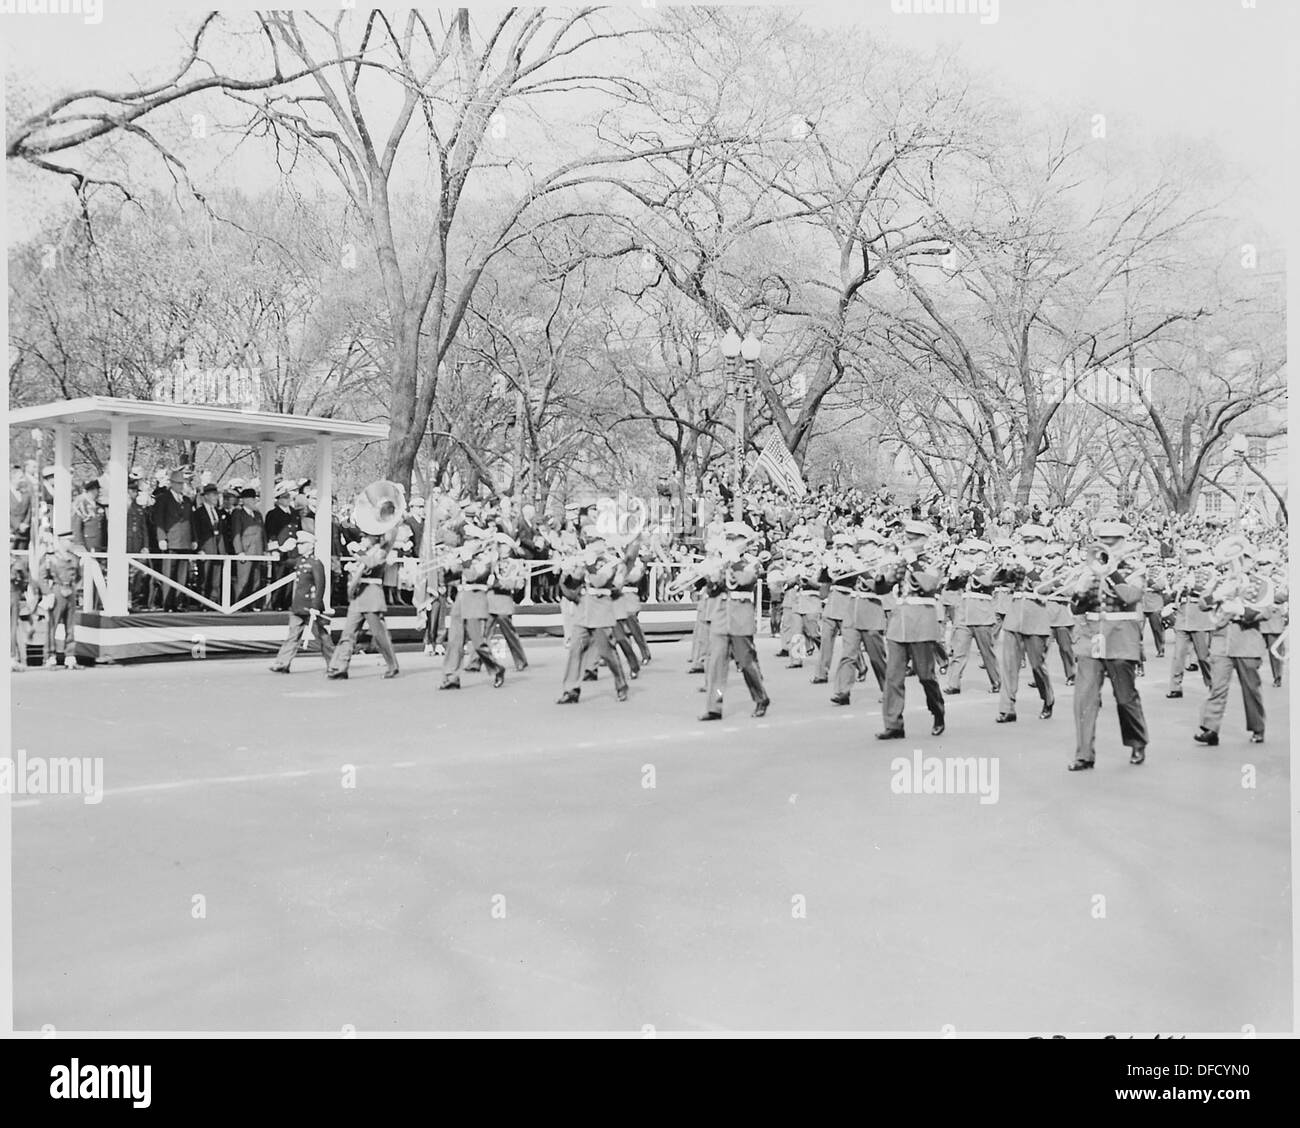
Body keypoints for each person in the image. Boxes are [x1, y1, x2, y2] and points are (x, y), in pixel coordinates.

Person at [1066, 518, 1148, 770]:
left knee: (1125, 697)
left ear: (1123, 543)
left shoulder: (1135, 568)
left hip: (1121, 638)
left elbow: (1131, 596)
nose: (1107, 547)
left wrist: (1111, 570)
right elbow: (1077, 608)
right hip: (1091, 637)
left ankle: (1137, 742)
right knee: (1084, 698)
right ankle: (1084, 753)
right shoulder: (1089, 568)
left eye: (1112, 543)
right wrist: (1079, 591)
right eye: (1103, 543)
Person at [1194, 540, 1268, 747]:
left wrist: (1240, 610)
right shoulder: (1221, 582)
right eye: (1236, 559)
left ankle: (1257, 727)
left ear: (1251, 561)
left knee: (1251, 688)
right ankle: (1210, 728)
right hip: (1221, 640)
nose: (1238, 562)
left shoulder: (1261, 583)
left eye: (1244, 558)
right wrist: (1218, 594)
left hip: (1246, 639)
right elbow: (1201, 604)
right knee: (1217, 686)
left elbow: (1265, 611)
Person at [876, 520, 945, 739]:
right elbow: (885, 587)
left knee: (925, 676)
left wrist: (913, 563)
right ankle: (894, 724)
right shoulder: (902, 560)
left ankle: (937, 711)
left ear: (925, 540)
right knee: (893, 676)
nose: (908, 543)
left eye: (914, 539)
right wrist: (880, 575)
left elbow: (928, 585)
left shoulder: (935, 560)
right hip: (899, 622)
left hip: (922, 622)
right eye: (907, 539)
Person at [700, 523, 769, 720]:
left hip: (740, 614)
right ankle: (714, 706)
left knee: (746, 661)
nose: (730, 543)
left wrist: (733, 563)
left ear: (744, 542)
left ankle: (760, 697)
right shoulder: (722, 560)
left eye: (734, 539)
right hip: (721, 614)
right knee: (716, 663)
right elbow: (712, 589)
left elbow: (744, 580)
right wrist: (712, 575)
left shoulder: (751, 561)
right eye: (728, 539)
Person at [992, 525, 1055, 723]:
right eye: (1025, 541)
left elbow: (1044, 589)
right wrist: (1004, 566)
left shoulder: (1050, 564)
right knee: (1009, 665)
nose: (1027, 545)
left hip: (1036, 619)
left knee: (1037, 666)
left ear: (1043, 543)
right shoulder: (1019, 563)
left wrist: (1029, 568)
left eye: (1032, 542)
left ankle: (1048, 698)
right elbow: (994, 581)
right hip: (1014, 618)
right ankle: (1007, 708)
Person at [557, 534, 629, 704]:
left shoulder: (611, 562)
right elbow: (574, 582)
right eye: (588, 543)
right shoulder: (586, 559)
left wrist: (589, 564)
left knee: (607, 653)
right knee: (575, 650)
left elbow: (598, 581)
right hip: (583, 611)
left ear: (602, 543)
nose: (590, 546)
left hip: (601, 612)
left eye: (594, 542)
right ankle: (571, 690)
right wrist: (568, 570)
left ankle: (621, 684)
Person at [327, 530, 400, 681]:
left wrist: (358, 552)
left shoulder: (381, 551)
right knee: (347, 634)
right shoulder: (367, 551)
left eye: (367, 536)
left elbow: (372, 563)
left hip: (372, 596)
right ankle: (340, 666)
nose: (363, 539)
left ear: (375, 537)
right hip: (359, 596)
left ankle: (392, 665)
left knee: (380, 636)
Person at [269, 530, 335, 673]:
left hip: (311, 606)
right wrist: (284, 549)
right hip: (298, 606)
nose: (298, 546)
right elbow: (283, 562)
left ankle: (335, 664)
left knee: (323, 638)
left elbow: (320, 585)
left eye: (301, 544)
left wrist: (316, 605)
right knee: (292, 636)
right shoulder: (300, 561)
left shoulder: (315, 563)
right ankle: (282, 663)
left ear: (310, 545)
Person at [151, 469, 196, 610]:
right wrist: (161, 538)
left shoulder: (187, 500)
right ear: (171, 483)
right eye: (177, 483)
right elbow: (159, 520)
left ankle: (178, 602)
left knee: (182, 575)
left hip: (185, 542)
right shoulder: (163, 499)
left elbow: (191, 521)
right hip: (171, 541)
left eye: (182, 483)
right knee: (168, 574)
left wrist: (194, 539)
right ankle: (167, 603)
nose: (180, 486)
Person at [39, 529, 82, 669]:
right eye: (69, 541)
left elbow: (79, 576)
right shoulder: (50, 558)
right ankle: (50, 656)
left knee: (70, 626)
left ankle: (70, 656)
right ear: (62, 541)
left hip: (70, 591)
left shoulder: (74, 557)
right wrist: (48, 592)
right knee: (52, 625)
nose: (71, 543)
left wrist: (74, 587)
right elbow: (42, 577)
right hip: (57, 590)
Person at [265, 485, 302, 612]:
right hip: (281, 550)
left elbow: (297, 530)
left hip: (293, 551)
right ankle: (277, 603)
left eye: (288, 497)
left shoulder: (294, 513)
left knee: (290, 578)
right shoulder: (273, 514)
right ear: (278, 499)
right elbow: (271, 533)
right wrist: (275, 549)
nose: (287, 500)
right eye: (284, 497)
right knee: (279, 576)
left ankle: (287, 602)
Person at [228, 488, 267, 608]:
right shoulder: (238, 514)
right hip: (245, 551)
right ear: (244, 500)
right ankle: (241, 604)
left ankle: (253, 604)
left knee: (256, 580)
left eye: (254, 498)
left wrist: (265, 550)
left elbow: (263, 533)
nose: (254, 501)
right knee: (243, 579)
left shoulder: (258, 514)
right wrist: (239, 551)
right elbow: (236, 533)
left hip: (258, 551)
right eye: (251, 498)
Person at [193, 482, 229, 605]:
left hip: (219, 548)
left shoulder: (219, 512)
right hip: (206, 548)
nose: (216, 498)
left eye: (216, 495)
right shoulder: (198, 513)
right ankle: (203, 602)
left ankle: (214, 602)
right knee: (204, 576)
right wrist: (199, 548)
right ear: (206, 496)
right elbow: (196, 531)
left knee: (216, 577)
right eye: (213, 495)